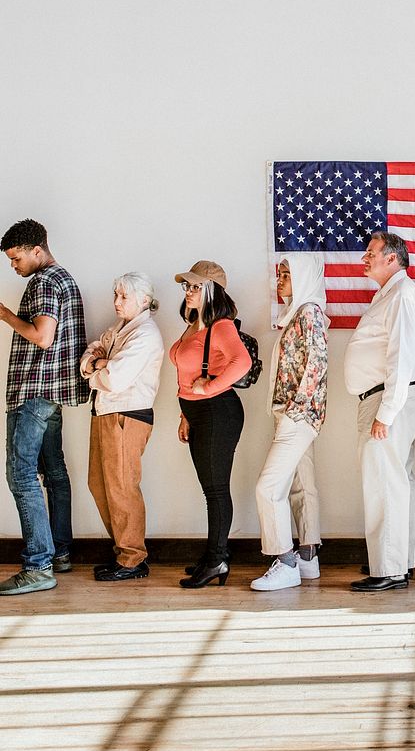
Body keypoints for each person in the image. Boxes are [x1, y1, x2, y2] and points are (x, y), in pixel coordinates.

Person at [0, 219, 88, 595]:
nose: (14, 267)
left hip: (33, 392)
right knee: (53, 471)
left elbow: (42, 336)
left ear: (37, 250)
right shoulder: (64, 278)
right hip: (52, 394)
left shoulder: (44, 282)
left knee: (21, 475)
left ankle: (38, 565)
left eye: (17, 258)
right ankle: (60, 552)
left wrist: (3, 314)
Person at [344, 232, 415, 592]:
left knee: (383, 485)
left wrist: (385, 413)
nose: (365, 257)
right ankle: (397, 562)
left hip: (387, 401)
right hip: (382, 399)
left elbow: (402, 357)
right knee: (394, 483)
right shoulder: (390, 294)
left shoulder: (403, 295)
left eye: (371, 253)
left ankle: (389, 569)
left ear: (393, 258)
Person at [170, 260, 251, 588]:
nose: (188, 292)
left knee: (216, 491)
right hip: (199, 413)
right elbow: (186, 373)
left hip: (219, 412)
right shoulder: (194, 324)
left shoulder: (222, 326)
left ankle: (217, 560)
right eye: (186, 286)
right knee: (210, 489)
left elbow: (241, 361)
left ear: (212, 291)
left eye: (194, 286)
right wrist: (185, 414)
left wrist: (211, 386)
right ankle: (213, 556)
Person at [251, 253, 328, 591]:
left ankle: (284, 561)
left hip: (297, 415)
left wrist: (296, 408)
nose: (279, 280)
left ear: (303, 277)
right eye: (279, 273)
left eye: (286, 274)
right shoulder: (299, 314)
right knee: (300, 482)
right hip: (295, 414)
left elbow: (318, 363)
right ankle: (308, 557)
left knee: (268, 488)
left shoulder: (308, 313)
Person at [81, 272, 164, 581]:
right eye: (115, 295)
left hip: (126, 416)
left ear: (144, 300)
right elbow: (90, 354)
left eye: (124, 296)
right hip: (105, 412)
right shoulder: (119, 328)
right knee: (99, 484)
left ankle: (132, 558)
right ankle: (122, 552)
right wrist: (97, 364)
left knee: (121, 486)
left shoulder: (146, 334)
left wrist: (100, 367)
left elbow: (116, 379)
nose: (117, 302)